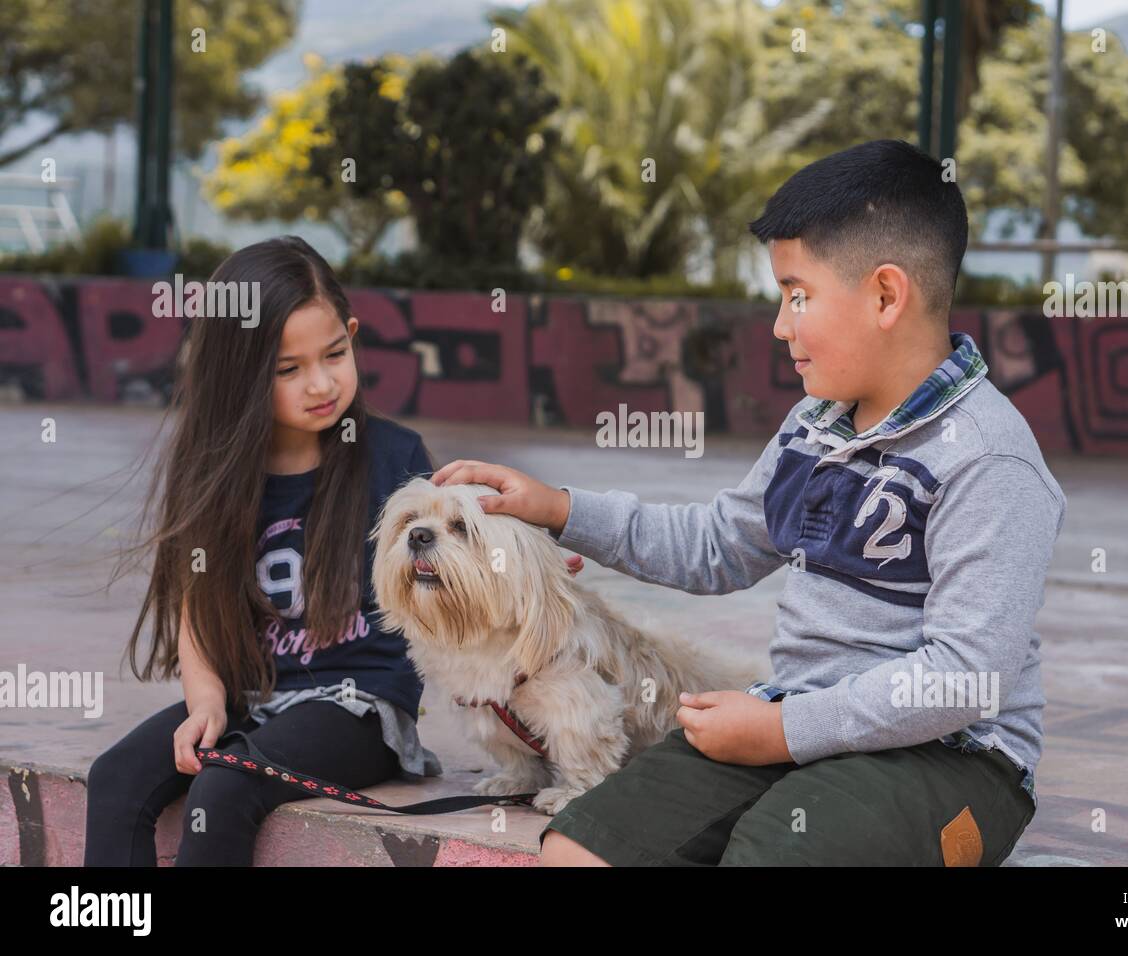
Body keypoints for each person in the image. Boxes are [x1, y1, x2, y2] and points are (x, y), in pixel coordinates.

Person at [434, 139, 1066, 866]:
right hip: (794, 723)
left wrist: (784, 731)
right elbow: (717, 547)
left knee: (771, 854)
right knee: (580, 846)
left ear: (887, 295)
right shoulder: (814, 425)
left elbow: (963, 677)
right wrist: (559, 507)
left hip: (954, 759)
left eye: (798, 295)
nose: (780, 325)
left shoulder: (988, 457)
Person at [83, 235, 442, 866]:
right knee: (115, 778)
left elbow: (456, 569)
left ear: (353, 332)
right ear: (242, 374)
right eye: (288, 369)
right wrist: (206, 703)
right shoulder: (217, 471)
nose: (321, 383)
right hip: (254, 698)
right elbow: (199, 606)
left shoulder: (396, 457)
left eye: (335, 353)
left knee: (226, 785)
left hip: (361, 708)